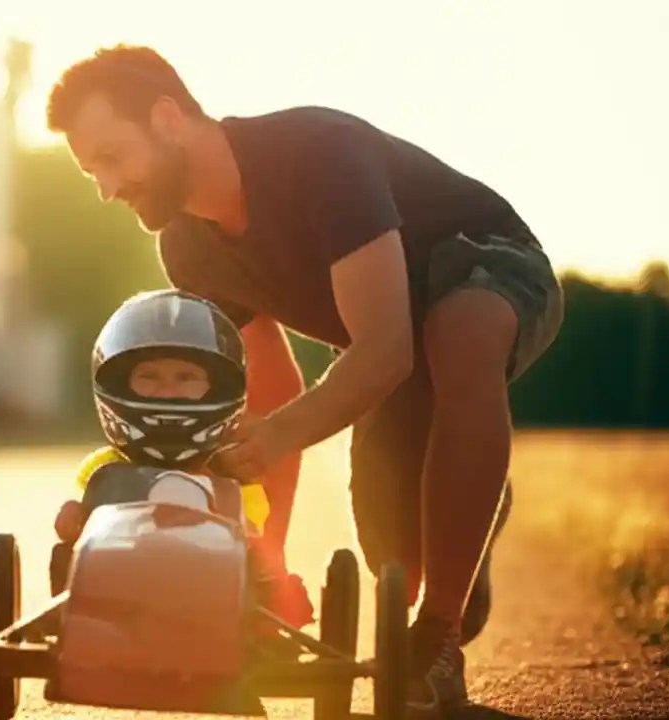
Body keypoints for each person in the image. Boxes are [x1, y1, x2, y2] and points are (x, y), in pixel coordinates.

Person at [45, 45, 565, 715]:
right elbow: (271, 399)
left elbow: (384, 352)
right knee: (392, 563)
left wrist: (278, 434)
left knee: (456, 335)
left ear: (167, 119)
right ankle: (472, 511)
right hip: (401, 338)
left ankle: (438, 638)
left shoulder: (317, 156)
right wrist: (260, 573)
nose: (107, 188)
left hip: (491, 267)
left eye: (112, 158)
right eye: (92, 171)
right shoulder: (187, 245)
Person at [53, 288, 315, 630]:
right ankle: (64, 627)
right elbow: (75, 521)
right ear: (120, 384)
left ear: (219, 388)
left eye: (186, 378)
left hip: (213, 598)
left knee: (266, 571)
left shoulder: (233, 475)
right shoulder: (104, 469)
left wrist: (250, 544)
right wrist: (73, 516)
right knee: (64, 555)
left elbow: (253, 530)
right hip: (116, 587)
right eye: (149, 377)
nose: (167, 392)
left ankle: (262, 633)